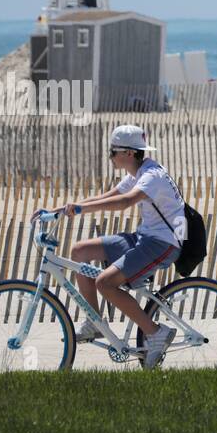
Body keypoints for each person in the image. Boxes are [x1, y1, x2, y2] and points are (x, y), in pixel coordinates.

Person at [54, 125, 186, 369]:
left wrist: (83, 209)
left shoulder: (151, 176)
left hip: (162, 243)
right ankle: (94, 322)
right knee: (79, 251)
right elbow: (108, 196)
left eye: (112, 152)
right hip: (144, 237)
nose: (110, 157)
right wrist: (65, 209)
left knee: (105, 283)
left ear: (128, 153)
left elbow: (125, 202)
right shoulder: (137, 172)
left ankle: (156, 332)